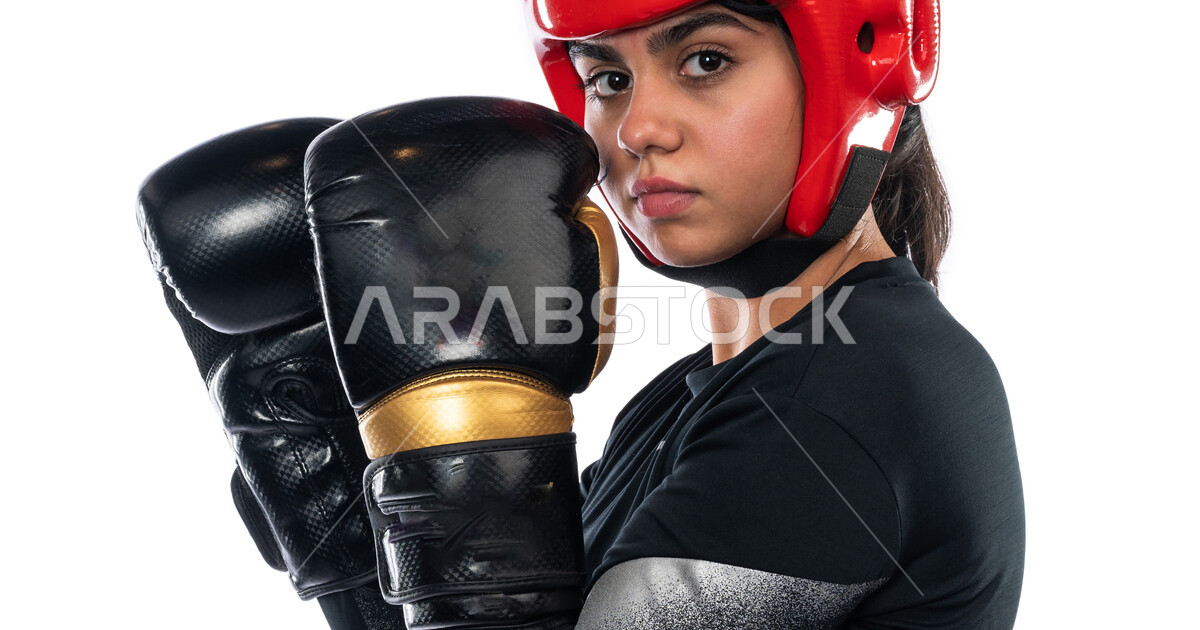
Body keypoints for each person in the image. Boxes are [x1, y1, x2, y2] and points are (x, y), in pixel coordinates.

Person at [527, 0, 1027, 627]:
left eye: (706, 61)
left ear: (848, 74)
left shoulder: (830, 395)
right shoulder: (683, 403)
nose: (638, 130)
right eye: (609, 80)